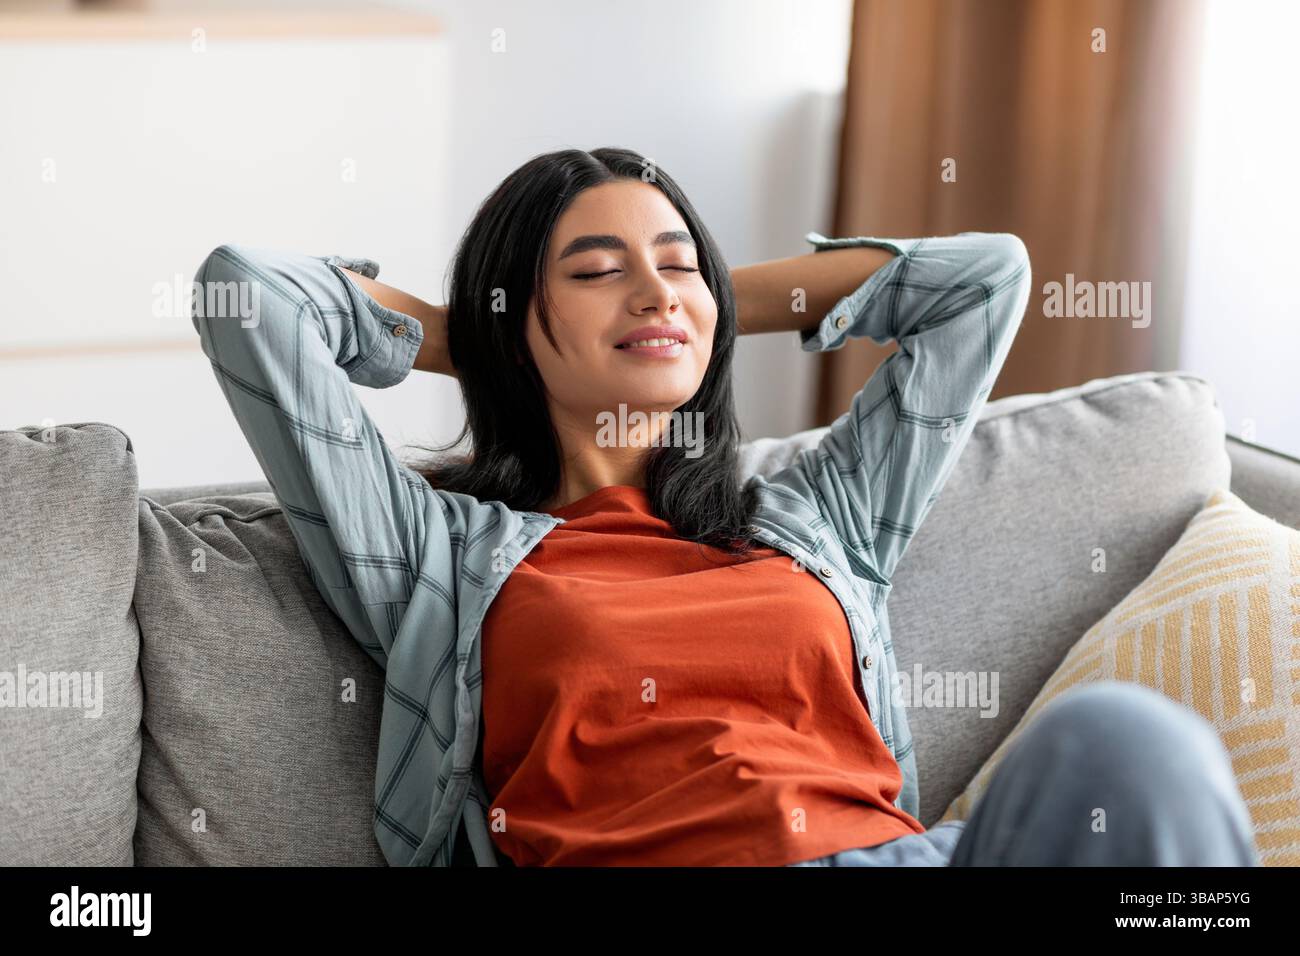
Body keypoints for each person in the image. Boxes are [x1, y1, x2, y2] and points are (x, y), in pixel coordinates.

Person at [191, 146, 1256, 867]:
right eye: (598, 269)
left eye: (679, 263)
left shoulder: (814, 518)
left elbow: (984, 280)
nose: (655, 290)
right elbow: (247, 293)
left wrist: (694, 303)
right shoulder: (438, 549)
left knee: (1124, 741)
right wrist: (475, 329)